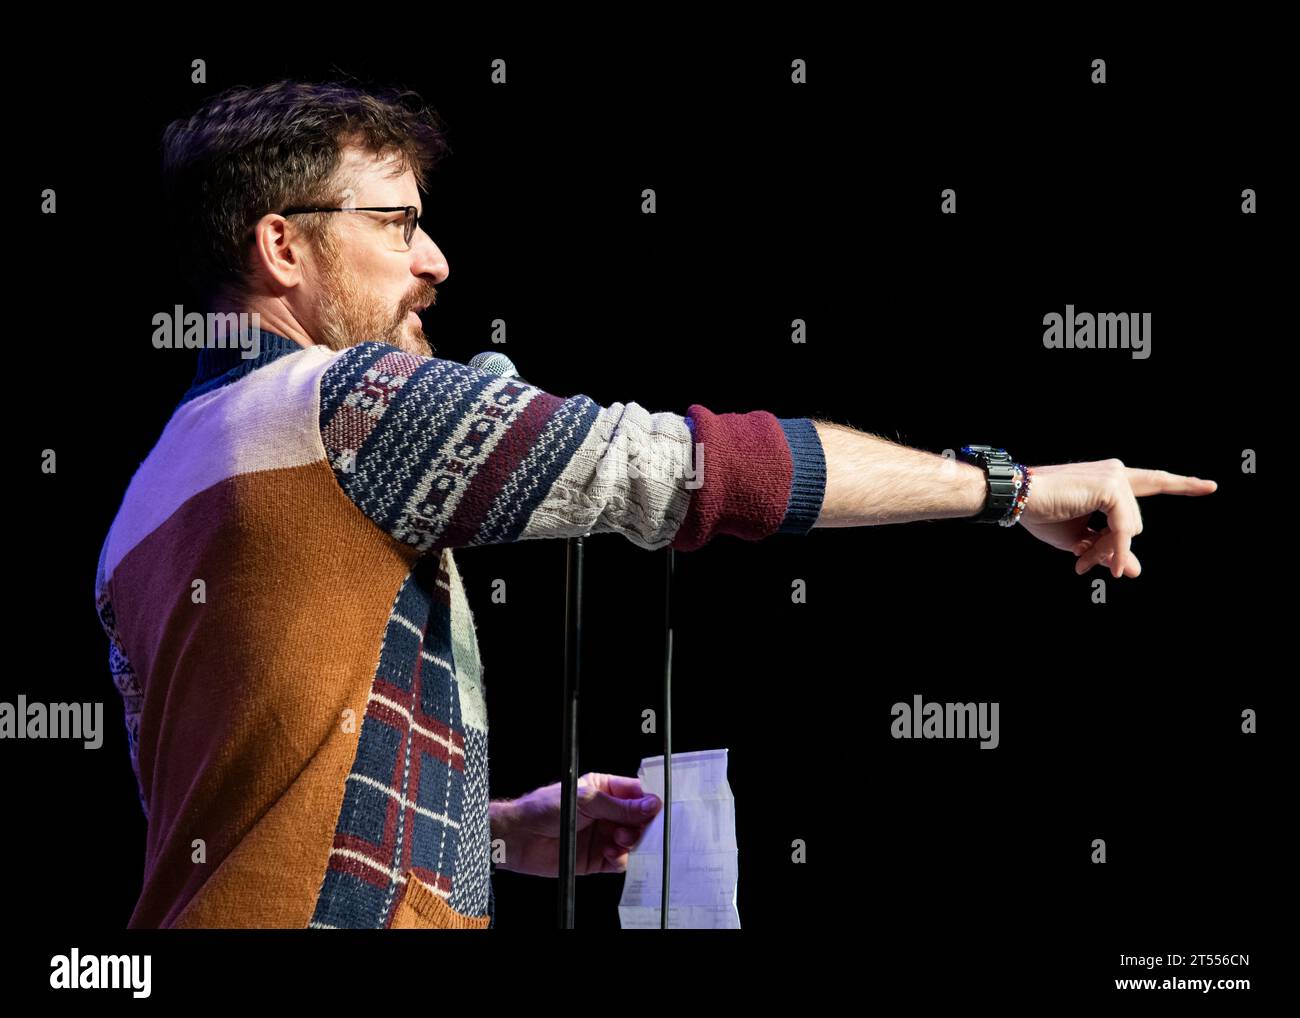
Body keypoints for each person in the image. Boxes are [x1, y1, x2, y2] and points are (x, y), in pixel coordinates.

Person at [95, 79, 1216, 929]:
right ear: (281, 245)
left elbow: (236, 814)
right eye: (394, 224)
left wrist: (487, 832)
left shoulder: (144, 499)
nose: (433, 260)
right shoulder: (348, 401)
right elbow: (703, 470)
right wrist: (1011, 488)